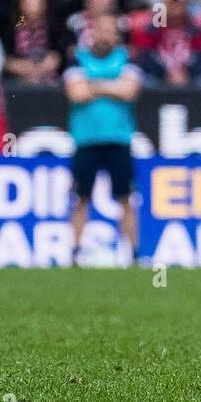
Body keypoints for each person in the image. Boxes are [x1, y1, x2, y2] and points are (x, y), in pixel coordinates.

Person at [64, 14, 142, 266]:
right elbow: (76, 94)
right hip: (86, 140)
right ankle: (76, 252)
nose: (105, 36)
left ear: (116, 35)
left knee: (126, 198)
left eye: (110, 31)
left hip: (119, 139)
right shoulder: (76, 59)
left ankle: (133, 254)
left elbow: (129, 91)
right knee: (80, 198)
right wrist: (112, 86)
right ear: (92, 32)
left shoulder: (128, 58)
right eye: (101, 30)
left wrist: (94, 86)